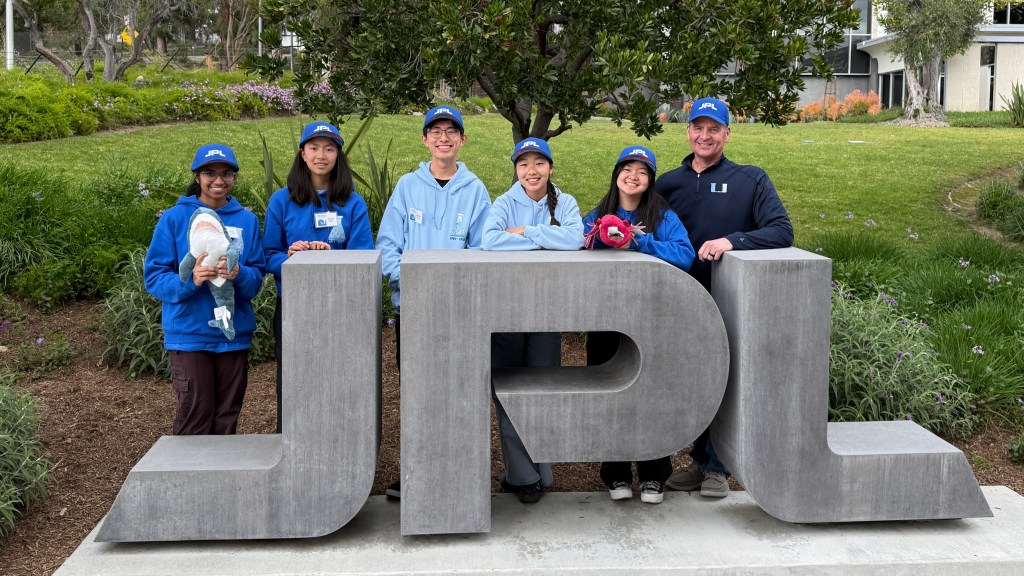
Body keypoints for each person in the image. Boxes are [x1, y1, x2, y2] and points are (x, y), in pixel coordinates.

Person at [656, 97, 794, 498]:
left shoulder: (750, 180)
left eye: (713, 129)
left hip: (731, 301)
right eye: (698, 128)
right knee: (696, 381)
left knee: (727, 380)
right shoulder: (668, 183)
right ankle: (700, 462)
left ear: (727, 134)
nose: (705, 135)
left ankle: (718, 468)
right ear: (687, 132)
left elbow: (782, 230)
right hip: (680, 298)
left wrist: (732, 241)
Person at [376, 105, 492, 500]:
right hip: (414, 309)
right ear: (425, 139)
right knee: (418, 394)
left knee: (460, 393)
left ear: (462, 140)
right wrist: (411, 280)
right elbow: (388, 246)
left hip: (459, 312)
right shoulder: (408, 187)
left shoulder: (475, 190)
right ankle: (416, 475)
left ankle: (457, 473)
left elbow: (483, 247)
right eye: (436, 131)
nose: (444, 138)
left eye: (451, 131)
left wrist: (456, 287)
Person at [583, 145, 695, 504]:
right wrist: (599, 238)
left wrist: (641, 241)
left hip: (650, 318)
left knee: (651, 393)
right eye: (627, 169)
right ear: (616, 174)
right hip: (605, 317)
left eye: (642, 171)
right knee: (608, 393)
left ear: (650, 180)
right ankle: (615, 473)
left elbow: (685, 254)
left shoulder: (661, 215)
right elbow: (576, 249)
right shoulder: (597, 214)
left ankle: (653, 474)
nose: (633, 176)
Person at [481, 137, 584, 503]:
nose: (531, 171)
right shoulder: (505, 202)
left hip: (547, 309)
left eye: (539, 163)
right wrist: (547, 240)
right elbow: (490, 241)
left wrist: (526, 232)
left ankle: (540, 470)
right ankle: (524, 476)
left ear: (550, 167)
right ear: (516, 169)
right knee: (509, 393)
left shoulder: (566, 202)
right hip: (506, 309)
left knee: (542, 390)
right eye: (523, 164)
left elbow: (574, 240)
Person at [144, 144, 267, 435]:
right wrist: (190, 280)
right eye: (210, 173)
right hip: (189, 335)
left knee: (227, 417)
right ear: (197, 176)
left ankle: (221, 481)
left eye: (226, 173)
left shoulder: (247, 221)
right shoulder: (174, 219)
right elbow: (155, 277)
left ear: (234, 178)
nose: (218, 180)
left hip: (233, 335)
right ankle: (183, 480)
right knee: (195, 415)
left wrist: (238, 274)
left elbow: (256, 280)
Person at [263, 121, 374, 433]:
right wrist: (292, 256)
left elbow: (364, 256)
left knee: (338, 378)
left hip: (340, 308)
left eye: (329, 148)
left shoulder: (352, 202)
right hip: (294, 308)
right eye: (313, 147)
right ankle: (292, 441)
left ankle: (340, 438)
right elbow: (268, 256)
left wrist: (329, 256)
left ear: (338, 155)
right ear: (302, 153)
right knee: (295, 379)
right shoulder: (281, 201)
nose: (321, 154)